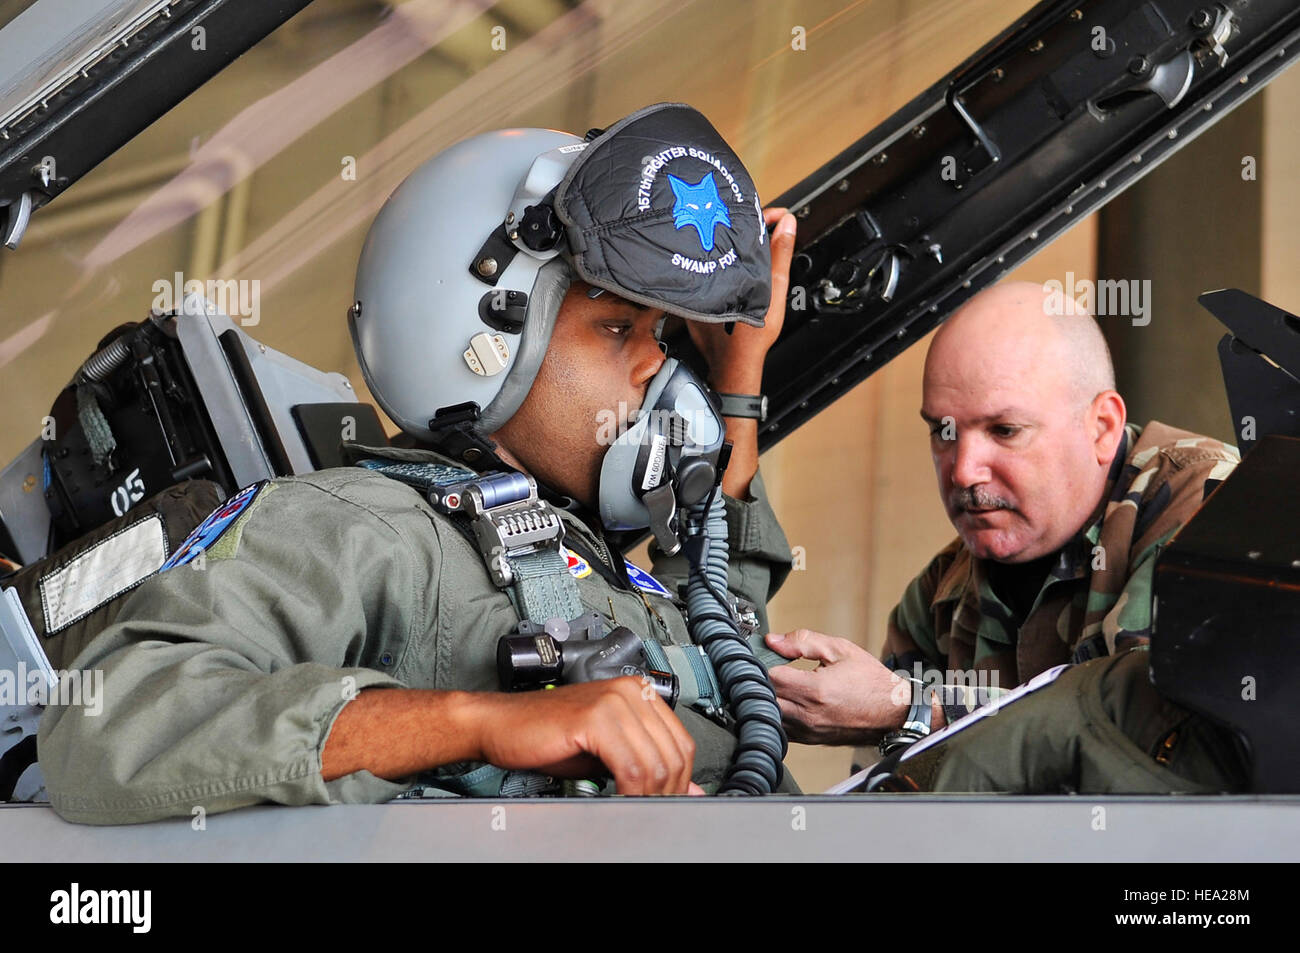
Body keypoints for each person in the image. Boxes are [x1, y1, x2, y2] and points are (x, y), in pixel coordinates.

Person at [38, 103, 801, 824]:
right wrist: (488, 723)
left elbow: (719, 628)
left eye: (658, 335)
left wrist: (739, 388)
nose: (652, 367)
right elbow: (116, 716)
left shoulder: (574, 554)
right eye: (614, 327)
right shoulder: (375, 524)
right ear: (480, 338)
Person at [766, 281, 1251, 792]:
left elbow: (1140, 730)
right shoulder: (938, 598)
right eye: (943, 432)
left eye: (1004, 431)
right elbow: (893, 811)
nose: (965, 472)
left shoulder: (1213, 502)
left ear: (1102, 428)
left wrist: (905, 708)